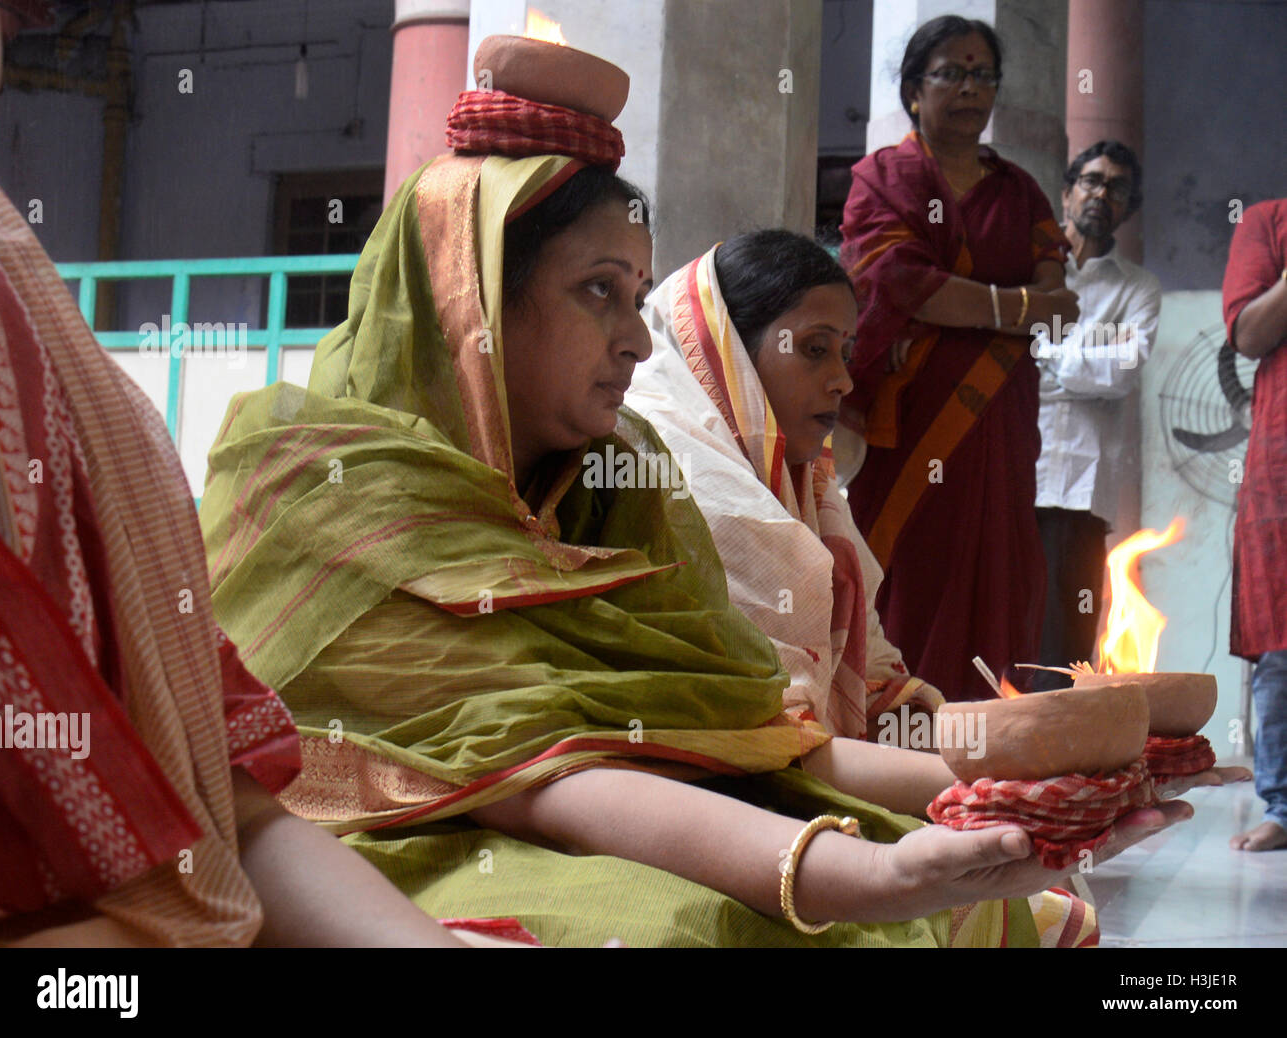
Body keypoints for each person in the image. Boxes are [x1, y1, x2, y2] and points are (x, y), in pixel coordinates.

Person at [199, 64, 1196, 947]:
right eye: (599, 291)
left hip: (663, 806)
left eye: (637, 295)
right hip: (395, 834)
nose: (636, 340)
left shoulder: (616, 486)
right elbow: (545, 770)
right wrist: (858, 859)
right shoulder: (333, 491)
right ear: (473, 303)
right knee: (698, 925)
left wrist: (1027, 780)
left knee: (936, 891)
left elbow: (745, 735)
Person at [0, 0, 476, 947]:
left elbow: (225, 809)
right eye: (597, 291)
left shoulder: (63, 365)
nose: (632, 339)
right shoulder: (314, 474)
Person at [839, 15, 1079, 701]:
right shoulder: (885, 177)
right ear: (916, 89)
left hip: (1002, 413)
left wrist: (975, 307)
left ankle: (988, 744)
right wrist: (1014, 309)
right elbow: (901, 283)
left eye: (983, 75)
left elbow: (1059, 300)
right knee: (912, 568)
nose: (971, 88)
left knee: (1001, 566)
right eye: (952, 72)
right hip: (914, 415)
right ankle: (892, 734)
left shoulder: (1019, 190)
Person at [627, 230, 943, 740]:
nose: (844, 380)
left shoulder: (808, 492)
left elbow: (876, 688)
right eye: (815, 349)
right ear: (730, 352)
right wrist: (977, 768)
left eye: (846, 352)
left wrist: (1006, 739)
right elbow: (783, 744)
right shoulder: (688, 486)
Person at [1032, 141, 1161, 690]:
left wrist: (1045, 354)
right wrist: (1084, 367)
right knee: (1001, 620)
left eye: (1117, 187)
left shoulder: (1138, 288)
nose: (1102, 194)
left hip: (1083, 492)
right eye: (1092, 180)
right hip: (1015, 473)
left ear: (1128, 207)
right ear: (1067, 191)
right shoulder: (1029, 270)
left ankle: (1052, 765)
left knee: (1065, 644)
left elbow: (1123, 371)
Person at [1223, 197, 1287, 853]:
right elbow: (1246, 333)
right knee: (1283, 640)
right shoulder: (1267, 221)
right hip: (1284, 463)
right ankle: (1285, 805)